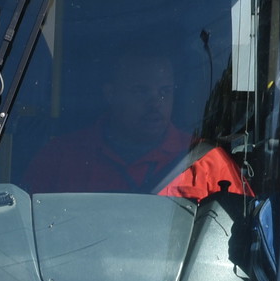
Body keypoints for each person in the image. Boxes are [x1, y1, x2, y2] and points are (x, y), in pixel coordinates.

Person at [22, 49, 250, 199]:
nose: (155, 104)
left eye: (164, 92)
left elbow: (244, 241)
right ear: (111, 94)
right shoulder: (61, 158)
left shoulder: (209, 163)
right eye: (141, 91)